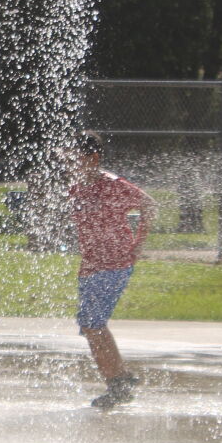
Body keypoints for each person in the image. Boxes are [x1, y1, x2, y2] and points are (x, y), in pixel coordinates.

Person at [69, 131, 155, 409]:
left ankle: (118, 384)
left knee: (93, 325)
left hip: (115, 263)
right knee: (92, 326)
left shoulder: (112, 184)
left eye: (76, 158)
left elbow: (149, 205)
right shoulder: (77, 186)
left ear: (93, 158)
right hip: (92, 265)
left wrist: (138, 244)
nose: (71, 163)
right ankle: (120, 378)